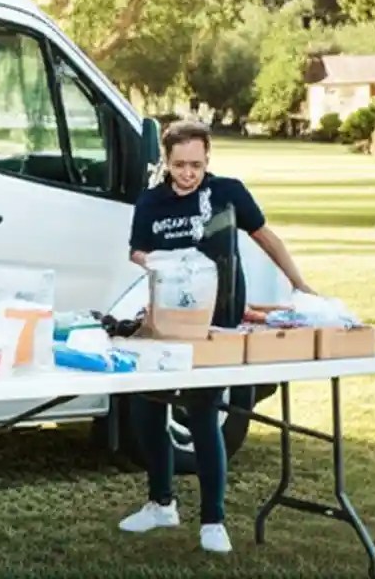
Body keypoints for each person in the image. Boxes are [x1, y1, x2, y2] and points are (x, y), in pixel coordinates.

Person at [119, 119, 314, 554]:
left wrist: (299, 283)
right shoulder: (152, 201)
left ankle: (213, 520)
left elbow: (265, 237)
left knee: (203, 413)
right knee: (146, 408)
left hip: (219, 321)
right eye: (179, 165)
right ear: (166, 162)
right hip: (169, 319)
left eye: (196, 165)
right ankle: (161, 503)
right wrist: (164, 263)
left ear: (208, 159)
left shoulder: (228, 193)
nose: (188, 173)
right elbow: (137, 250)